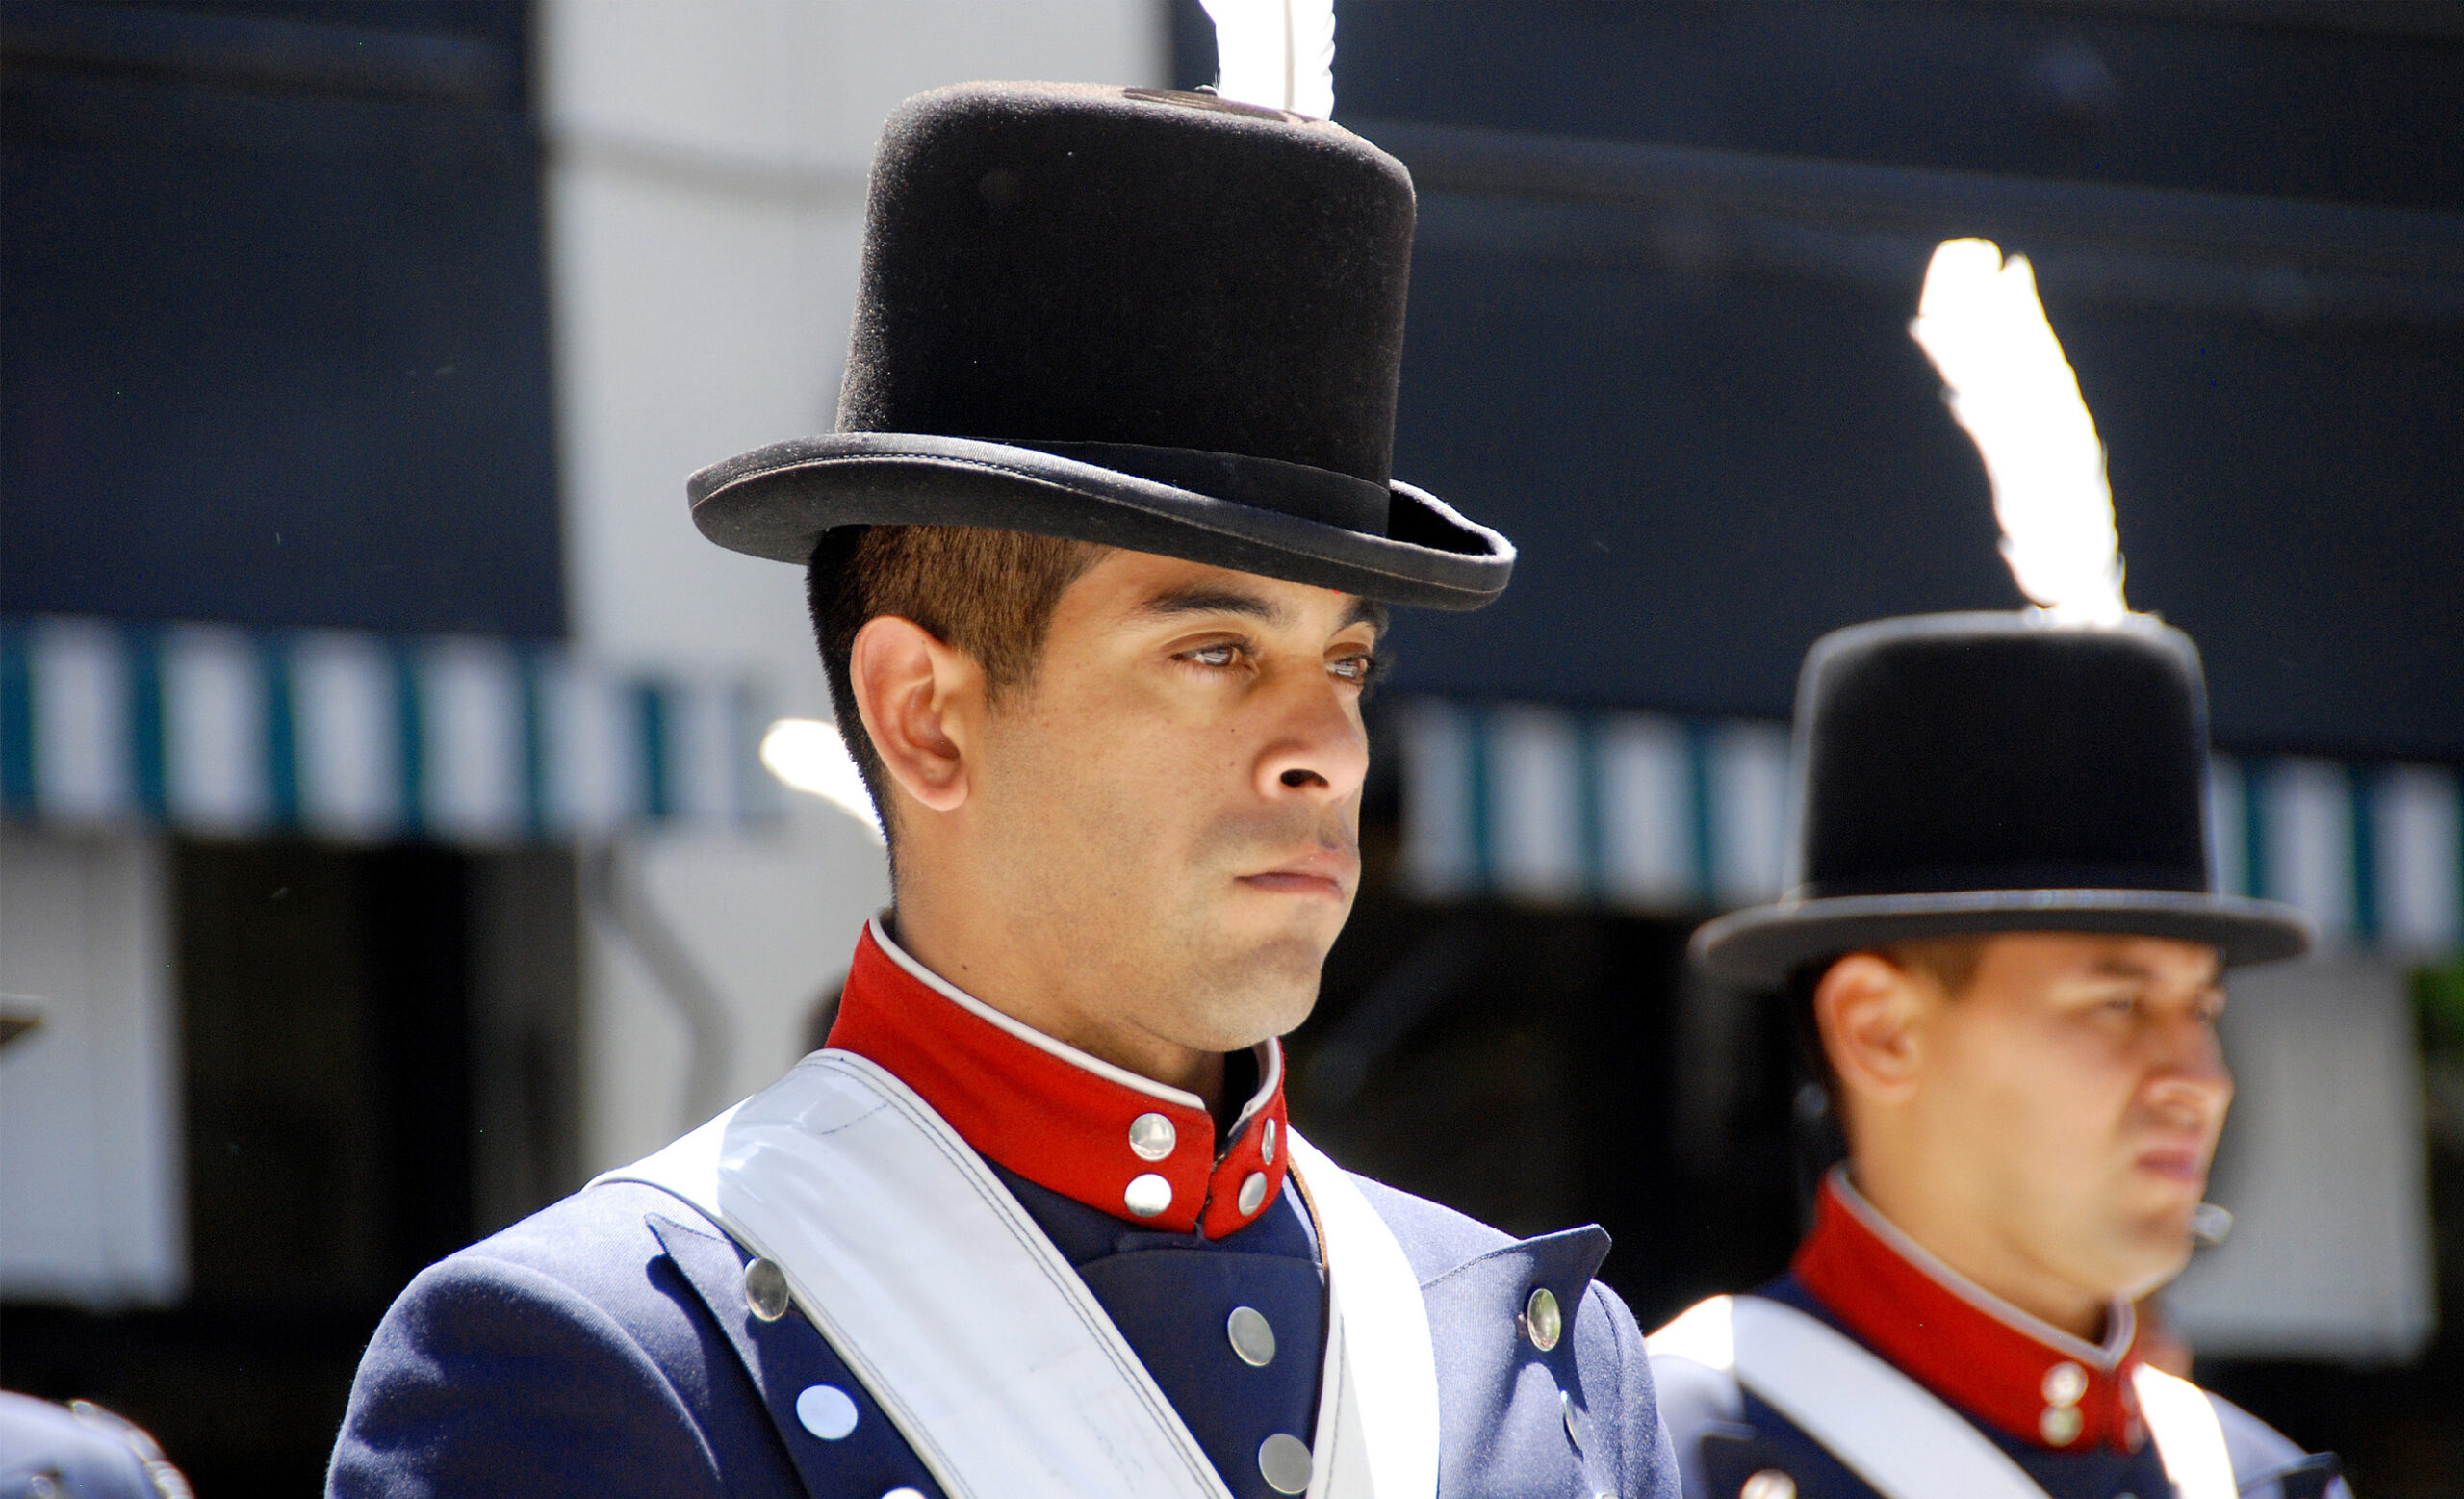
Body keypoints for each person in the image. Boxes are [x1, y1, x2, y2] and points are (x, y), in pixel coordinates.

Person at [329, 80, 1679, 1499]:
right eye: (1215, 649)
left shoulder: (1539, 1369)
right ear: (925, 715)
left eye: (1345, 660)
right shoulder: (603, 1363)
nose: (1327, 749)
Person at [1647, 611, 2348, 1499]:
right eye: (2119, 1002)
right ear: (1879, 1029)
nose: (2201, 1082)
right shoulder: (1645, 1457)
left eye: (2202, 1006)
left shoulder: (2258, 1479)